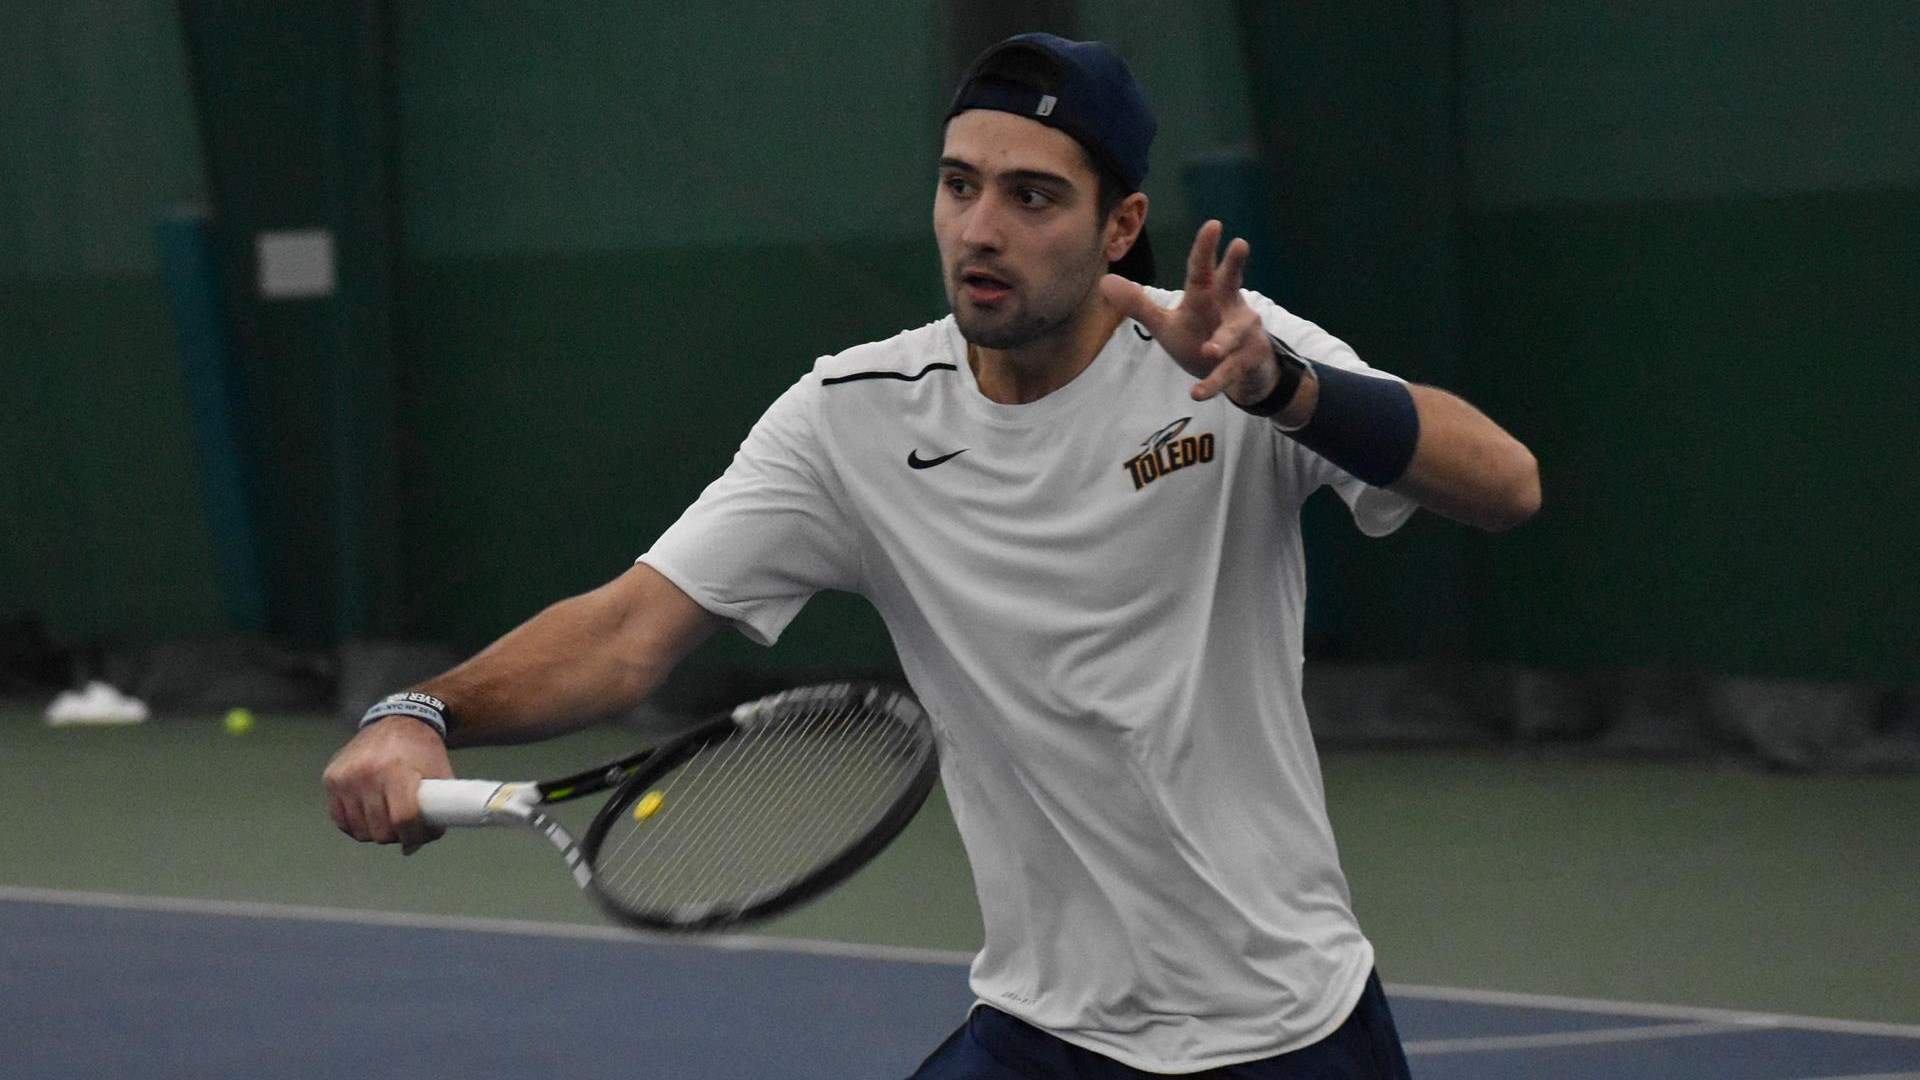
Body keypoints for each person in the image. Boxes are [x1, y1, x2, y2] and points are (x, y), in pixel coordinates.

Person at [325, 32, 1538, 1079]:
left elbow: (1506, 486)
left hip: (1286, 1030)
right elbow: (624, 631)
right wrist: (420, 708)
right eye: (959, 186)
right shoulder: (850, 420)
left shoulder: (1224, 357)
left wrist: (1284, 388)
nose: (981, 229)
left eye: (1031, 197)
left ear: (1120, 226)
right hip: (1043, 1029)